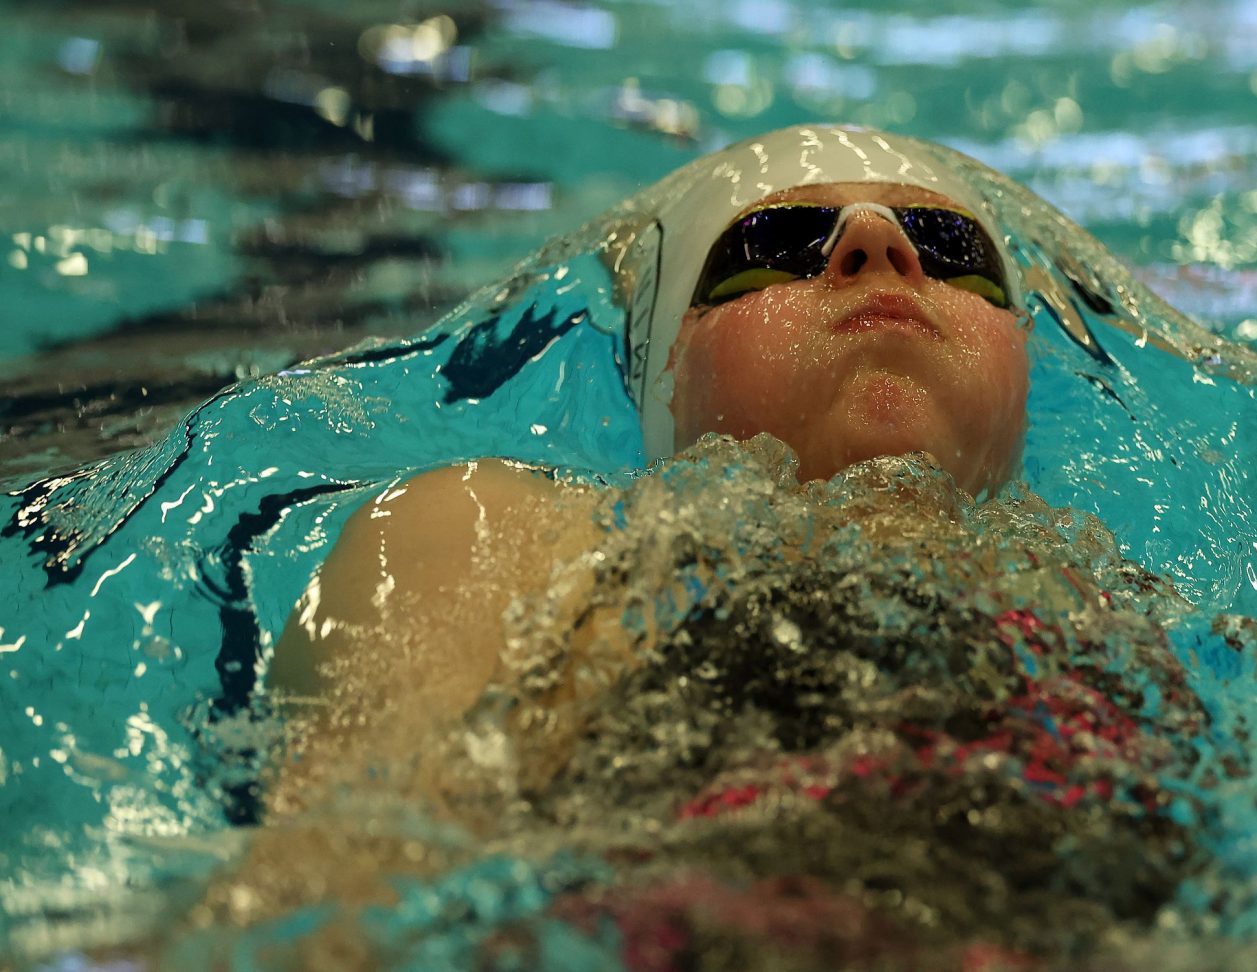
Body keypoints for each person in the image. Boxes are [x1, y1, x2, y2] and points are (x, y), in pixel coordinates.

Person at [263, 142, 1034, 788]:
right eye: (773, 244)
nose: (878, 243)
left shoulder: (1091, 588)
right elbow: (349, 868)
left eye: (950, 247)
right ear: (669, 361)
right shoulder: (498, 539)